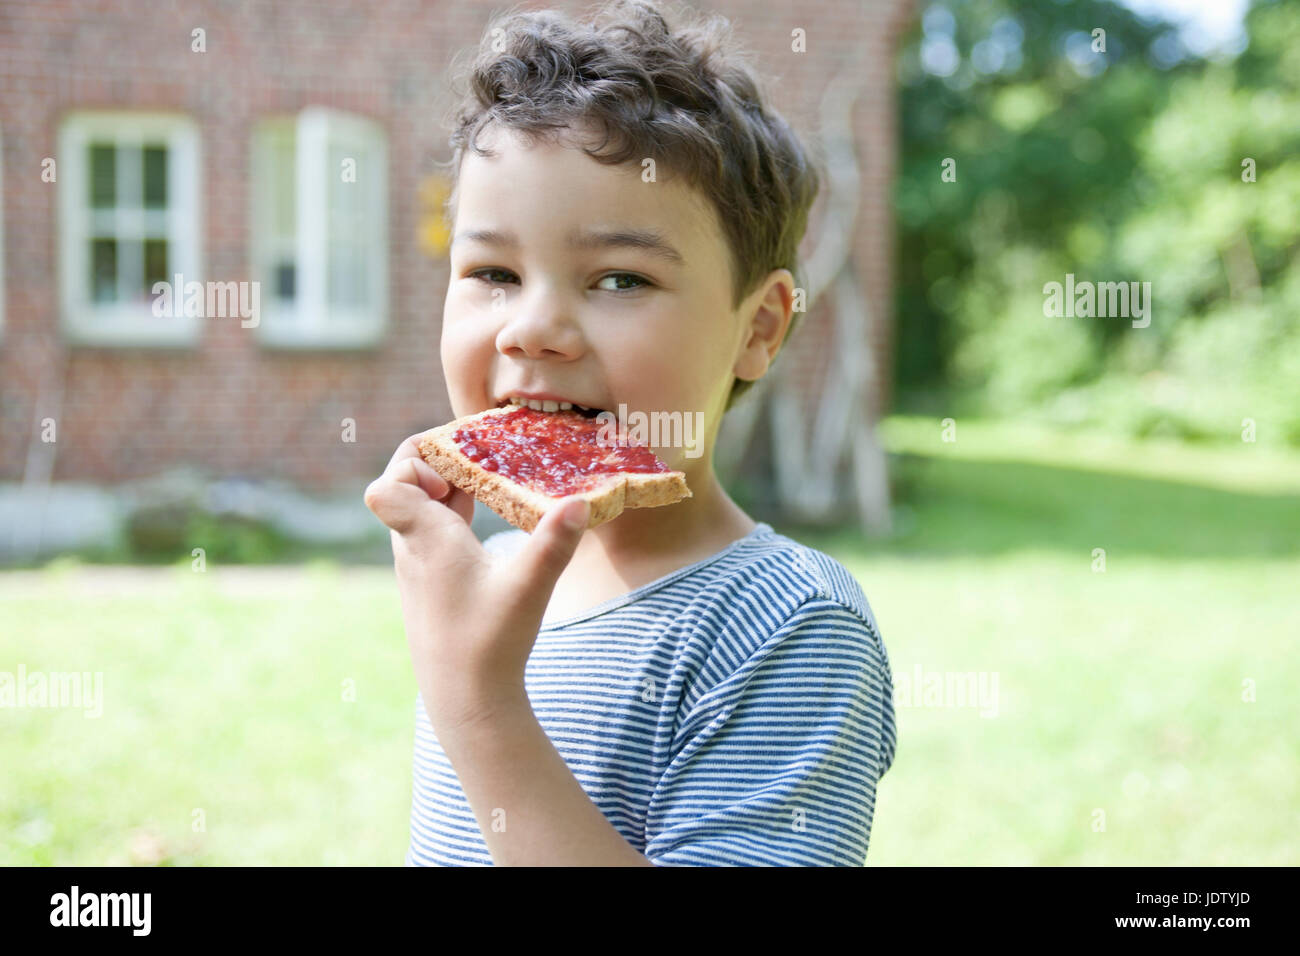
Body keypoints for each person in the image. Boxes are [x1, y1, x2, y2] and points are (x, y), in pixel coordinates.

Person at [364, 0, 897, 866]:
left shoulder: (791, 629)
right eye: (493, 271)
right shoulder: (484, 582)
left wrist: (479, 703)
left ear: (758, 328)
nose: (530, 330)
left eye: (618, 279)